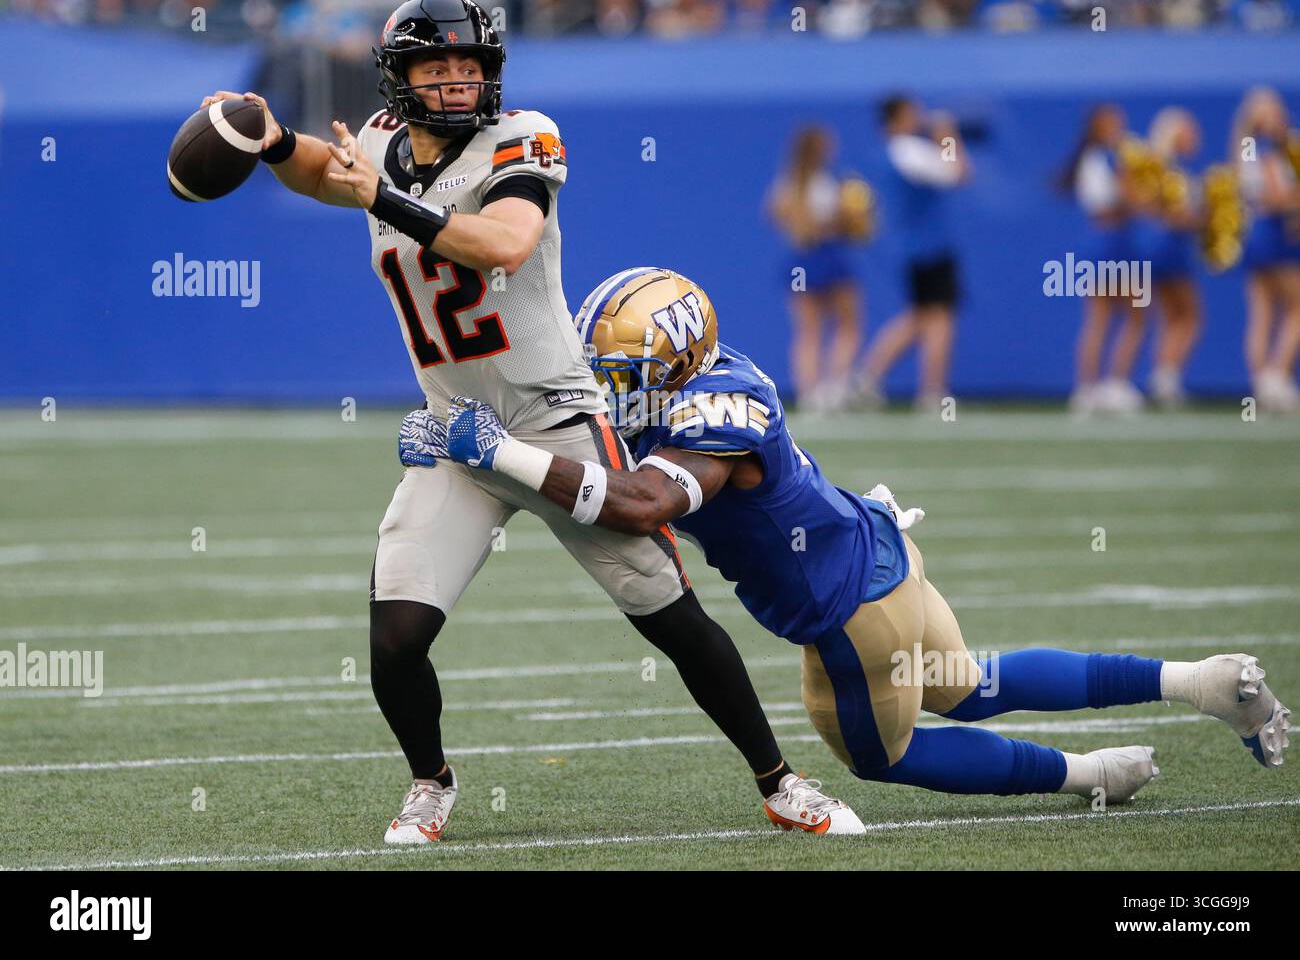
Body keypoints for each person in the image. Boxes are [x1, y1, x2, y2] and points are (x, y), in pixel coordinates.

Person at [201, 0, 859, 843]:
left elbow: (504, 242)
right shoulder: (377, 146)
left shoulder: (523, 138)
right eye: (437, 67)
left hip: (553, 419)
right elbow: (329, 177)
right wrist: (272, 141)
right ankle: (430, 782)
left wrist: (382, 201)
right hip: (451, 432)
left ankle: (780, 781)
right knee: (397, 635)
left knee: (668, 615)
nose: (457, 81)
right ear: (400, 78)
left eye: (471, 65)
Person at [430, 268, 1291, 803]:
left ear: (672, 363)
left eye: (623, 375)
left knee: (883, 758)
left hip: (848, 612)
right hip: (882, 552)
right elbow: (613, 442)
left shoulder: (708, 422)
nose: (611, 391)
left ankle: (1089, 775)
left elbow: (640, 505)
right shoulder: (717, 373)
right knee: (970, 685)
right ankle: (1204, 681)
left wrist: (498, 450)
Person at [856, 95, 969, 412]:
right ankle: (932, 391)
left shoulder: (896, 150)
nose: (919, 117)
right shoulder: (910, 149)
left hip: (916, 245)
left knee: (919, 317)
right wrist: (949, 136)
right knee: (940, 318)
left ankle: (868, 377)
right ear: (896, 119)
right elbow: (959, 172)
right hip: (930, 246)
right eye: (911, 113)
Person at [766, 126, 865, 413]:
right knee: (848, 324)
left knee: (808, 330)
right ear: (818, 149)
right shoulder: (827, 185)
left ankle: (809, 393)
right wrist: (849, 217)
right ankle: (834, 387)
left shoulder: (785, 184)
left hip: (800, 260)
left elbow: (774, 213)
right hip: (829, 255)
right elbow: (835, 225)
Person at [1063, 103, 1146, 415]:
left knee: (1105, 317)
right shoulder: (1104, 159)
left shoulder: (1100, 158)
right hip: (1111, 242)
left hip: (1106, 242)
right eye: (1113, 124)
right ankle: (1112, 384)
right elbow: (1116, 203)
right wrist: (1147, 198)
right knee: (1130, 315)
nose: (1120, 129)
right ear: (1098, 127)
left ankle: (1092, 387)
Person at [1233, 86, 1300, 413]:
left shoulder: (1245, 147)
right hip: (1276, 234)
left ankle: (1263, 384)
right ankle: (1276, 375)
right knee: (1295, 307)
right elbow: (1274, 197)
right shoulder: (1270, 149)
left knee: (1262, 313)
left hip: (1258, 234)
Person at [1132, 107, 1205, 408]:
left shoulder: (1157, 166)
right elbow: (1175, 215)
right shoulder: (1168, 170)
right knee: (1190, 315)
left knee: (1170, 315)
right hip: (1168, 246)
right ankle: (1166, 377)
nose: (1195, 138)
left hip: (1153, 245)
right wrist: (1209, 220)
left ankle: (1164, 377)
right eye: (1189, 132)